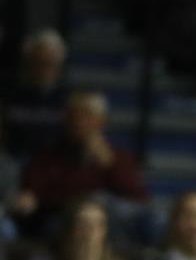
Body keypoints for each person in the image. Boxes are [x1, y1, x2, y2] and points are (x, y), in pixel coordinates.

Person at [22, 92, 147, 229]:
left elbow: (137, 198)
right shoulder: (49, 155)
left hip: (108, 221)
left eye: (86, 116)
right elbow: (34, 194)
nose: (78, 122)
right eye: (73, 116)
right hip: (64, 217)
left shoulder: (118, 157)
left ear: (102, 121)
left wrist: (109, 165)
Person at [4, 27, 70, 158]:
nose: (44, 69)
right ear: (28, 63)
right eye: (38, 62)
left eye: (50, 63)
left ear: (60, 66)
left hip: (55, 166)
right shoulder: (9, 97)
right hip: (14, 162)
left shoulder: (69, 100)